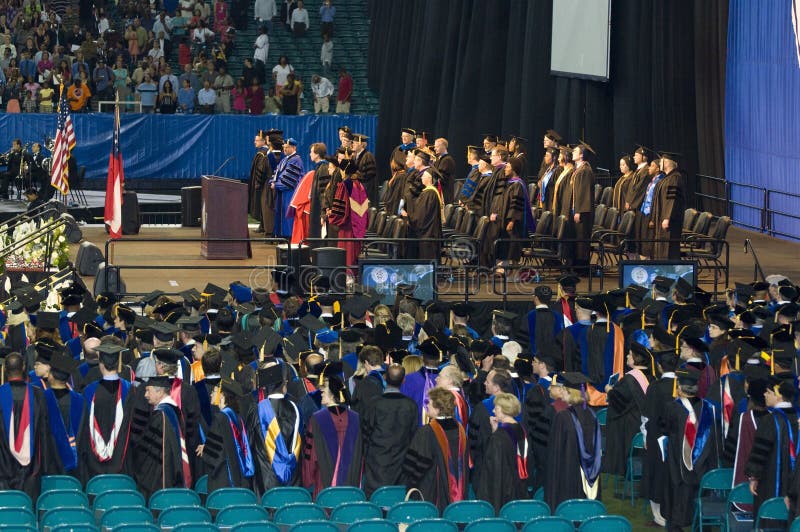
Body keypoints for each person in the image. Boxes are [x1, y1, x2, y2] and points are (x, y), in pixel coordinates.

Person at [0, 353, 58, 500]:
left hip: (3, 468)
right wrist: (44, 467)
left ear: (5, 369)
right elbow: (45, 433)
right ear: (24, 367)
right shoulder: (38, 395)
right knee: (29, 514)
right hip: (32, 468)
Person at [402, 387, 469, 512]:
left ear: (438, 409)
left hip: (432, 490)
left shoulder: (426, 432)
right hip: (459, 490)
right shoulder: (460, 429)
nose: (427, 406)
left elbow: (417, 465)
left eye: (429, 404)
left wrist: (410, 482)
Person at [544, 372, 602, 510]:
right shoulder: (592, 415)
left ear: (571, 392)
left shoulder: (563, 416)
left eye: (564, 389)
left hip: (567, 470)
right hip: (590, 470)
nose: (562, 392)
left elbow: (555, 450)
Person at [302, 373, 363, 497]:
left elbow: (311, 455)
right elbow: (360, 457)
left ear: (332, 394)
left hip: (324, 487)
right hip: (351, 485)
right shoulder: (355, 418)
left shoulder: (317, 419)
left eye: (323, 391)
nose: (321, 394)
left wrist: (308, 480)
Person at [361, 364, 418, 496]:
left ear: (385, 378)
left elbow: (365, 434)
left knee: (376, 505)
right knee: (397, 503)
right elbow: (413, 435)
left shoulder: (374, 404)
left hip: (377, 464)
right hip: (401, 463)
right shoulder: (411, 406)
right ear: (404, 380)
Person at [131, 375, 191, 499]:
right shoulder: (174, 410)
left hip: (159, 475)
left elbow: (149, 449)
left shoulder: (161, 415)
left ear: (160, 391)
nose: (145, 395)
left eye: (148, 390)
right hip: (172, 469)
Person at [603, 342, 654, 477]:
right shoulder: (652, 377)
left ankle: (621, 469)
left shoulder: (630, 379)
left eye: (630, 354)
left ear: (636, 358)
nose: (626, 356)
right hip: (646, 425)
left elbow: (619, 400)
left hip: (631, 425)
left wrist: (609, 391)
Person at [250, 363, 302, 494]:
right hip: (292, 483)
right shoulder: (295, 409)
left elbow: (250, 445)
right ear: (283, 385)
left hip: (265, 483)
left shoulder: (258, 410)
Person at [475, 392, 529, 512]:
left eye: (497, 408)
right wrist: (495, 430)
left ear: (505, 409)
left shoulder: (499, 437)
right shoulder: (520, 428)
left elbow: (492, 469)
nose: (494, 411)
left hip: (503, 489)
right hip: (519, 485)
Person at [202, 379, 256, 491]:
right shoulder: (238, 418)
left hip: (223, 481)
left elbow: (212, 455)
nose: (211, 394)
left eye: (214, 391)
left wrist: (205, 448)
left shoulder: (219, 419)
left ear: (222, 395)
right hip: (240, 480)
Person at [327, 153, 369, 267]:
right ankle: (354, 275)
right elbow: (364, 207)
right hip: (358, 224)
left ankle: (346, 275)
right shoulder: (359, 184)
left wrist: (332, 214)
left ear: (344, 171)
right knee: (355, 251)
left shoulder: (345, 184)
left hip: (347, 225)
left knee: (347, 253)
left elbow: (340, 208)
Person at [402, 154, 442, 261]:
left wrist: (408, 216)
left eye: (424, 176)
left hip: (428, 234)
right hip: (427, 231)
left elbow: (421, 215)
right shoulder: (427, 192)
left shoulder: (430, 193)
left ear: (429, 178)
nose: (422, 177)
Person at [651, 152, 686, 259]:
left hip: (670, 222)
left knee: (668, 248)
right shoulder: (666, 178)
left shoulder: (675, 178)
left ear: (667, 163)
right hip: (661, 219)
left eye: (661, 161)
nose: (660, 163)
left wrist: (667, 218)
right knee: (662, 247)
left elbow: (672, 200)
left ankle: (669, 273)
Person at [271, 137, 304, 239]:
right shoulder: (285, 159)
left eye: (287, 147)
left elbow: (289, 180)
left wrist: (275, 184)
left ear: (293, 148)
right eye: (284, 147)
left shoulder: (296, 160)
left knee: (288, 216)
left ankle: (289, 238)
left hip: (290, 193)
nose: (284, 149)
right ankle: (282, 236)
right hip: (283, 193)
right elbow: (277, 173)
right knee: (281, 214)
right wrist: (272, 181)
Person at [570, 142, 596, 269]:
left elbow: (583, 193)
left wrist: (579, 211)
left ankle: (583, 267)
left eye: (575, 151)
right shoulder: (579, 169)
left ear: (581, 155)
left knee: (582, 239)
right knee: (578, 238)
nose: (572, 153)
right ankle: (577, 265)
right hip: (578, 209)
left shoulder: (585, 170)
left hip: (583, 212)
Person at [248, 130, 271, 231]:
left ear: (263, 141)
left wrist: (257, 183)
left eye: (257, 140)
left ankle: (264, 226)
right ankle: (263, 224)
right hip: (264, 183)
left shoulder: (263, 154)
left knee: (263, 204)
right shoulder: (263, 153)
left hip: (263, 184)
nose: (255, 142)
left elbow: (261, 171)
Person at [308, 142, 330, 241]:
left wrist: (323, 213)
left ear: (317, 154)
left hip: (319, 208)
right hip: (316, 206)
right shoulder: (319, 167)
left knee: (318, 232)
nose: (310, 154)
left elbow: (323, 192)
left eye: (311, 152)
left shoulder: (323, 168)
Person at [351, 133, 378, 206]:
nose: (352, 145)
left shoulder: (368, 156)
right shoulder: (355, 156)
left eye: (354, 143)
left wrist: (352, 172)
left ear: (361, 144)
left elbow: (368, 176)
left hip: (367, 191)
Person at [433, 138, 456, 204]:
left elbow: (442, 177)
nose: (434, 149)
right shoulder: (439, 159)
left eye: (437, 146)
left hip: (445, 193)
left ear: (443, 146)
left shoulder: (447, 160)